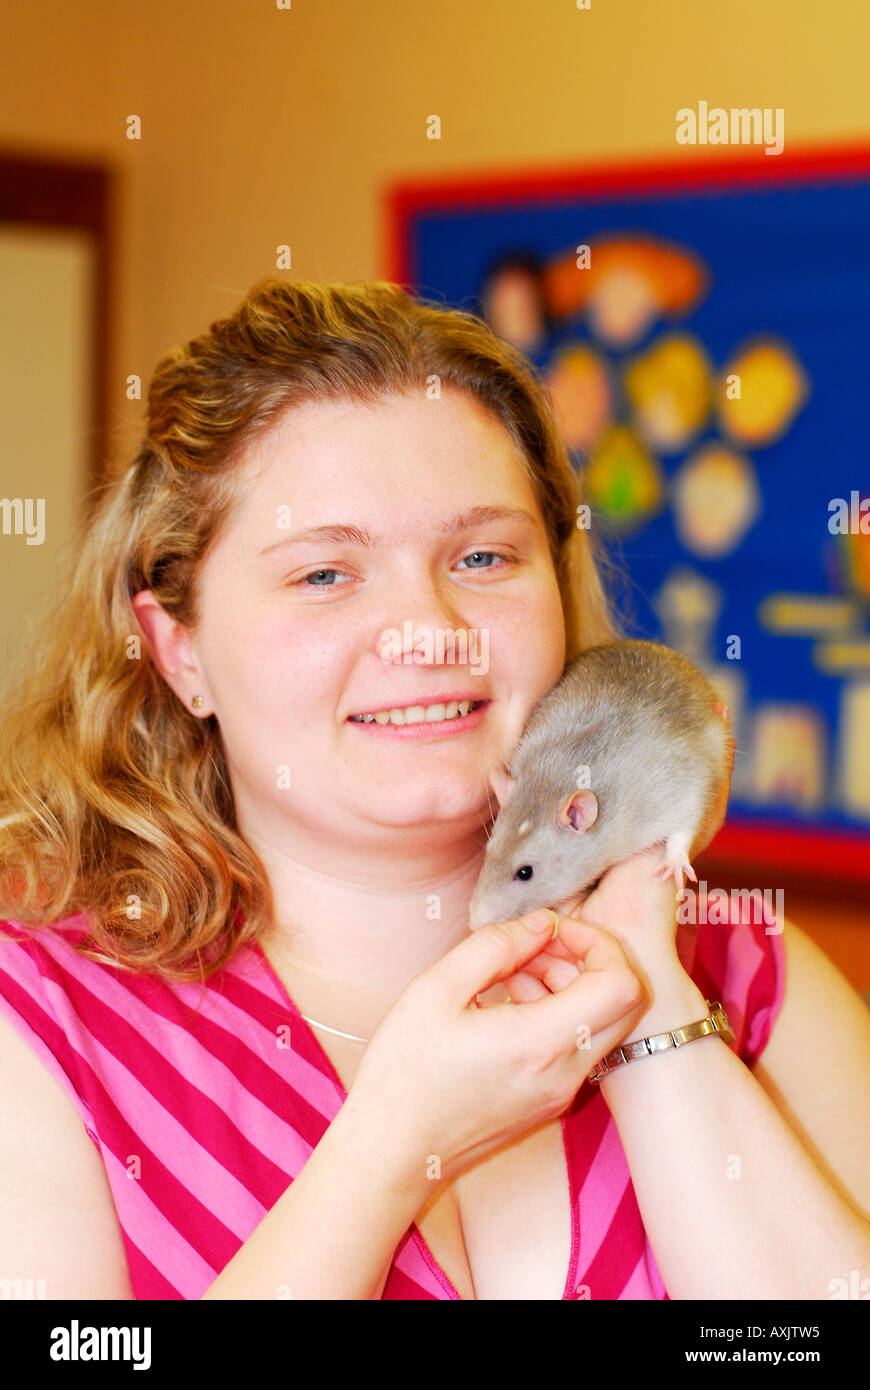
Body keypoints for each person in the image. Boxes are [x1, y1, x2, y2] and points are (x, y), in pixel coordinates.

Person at [0, 279, 868, 1301]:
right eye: (326, 573)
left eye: (484, 555)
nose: (428, 628)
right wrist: (391, 1148)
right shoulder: (42, 1023)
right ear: (178, 648)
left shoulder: (748, 974)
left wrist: (654, 1010)